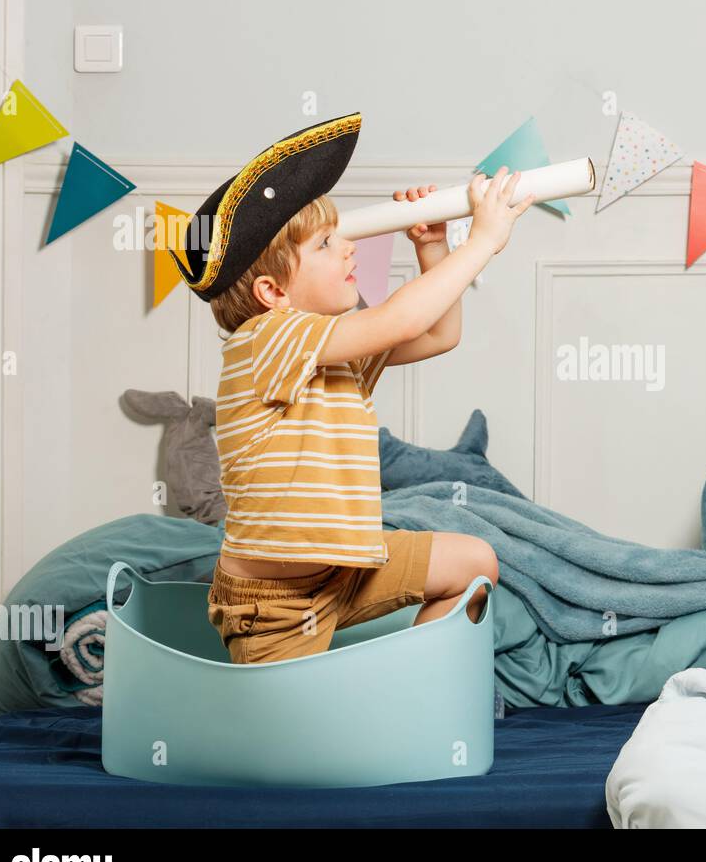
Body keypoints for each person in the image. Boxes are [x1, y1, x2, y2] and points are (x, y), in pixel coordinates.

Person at [167, 111, 535, 663]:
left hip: (347, 568)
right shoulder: (265, 339)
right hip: (274, 603)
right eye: (324, 245)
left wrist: (431, 249)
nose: (348, 249)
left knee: (475, 563)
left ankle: (412, 689)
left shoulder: (334, 349)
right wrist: (480, 243)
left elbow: (439, 333)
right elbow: (402, 321)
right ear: (272, 292)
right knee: (291, 749)